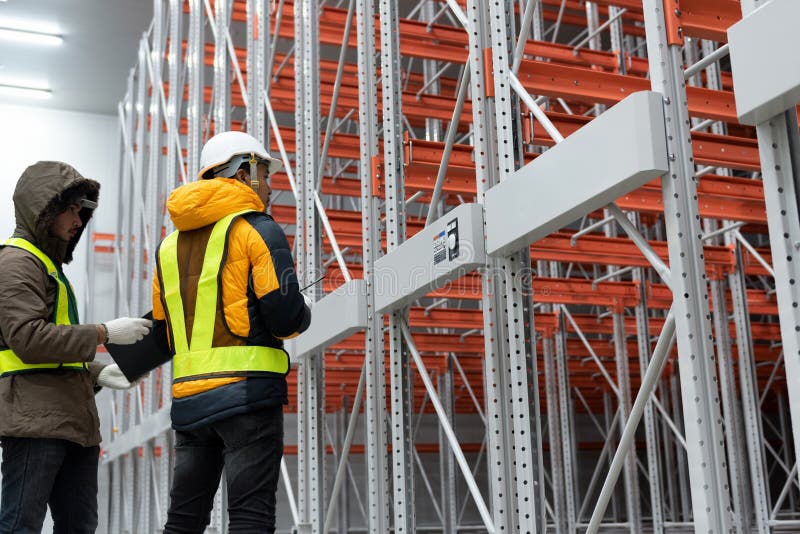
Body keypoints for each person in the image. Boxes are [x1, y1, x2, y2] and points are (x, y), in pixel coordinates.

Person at [152, 131, 312, 533]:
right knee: (250, 516)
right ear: (244, 172)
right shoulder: (257, 229)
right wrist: (302, 312)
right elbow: (285, 318)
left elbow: (163, 331)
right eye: (265, 173)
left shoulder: (168, 247)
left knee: (184, 519)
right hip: (247, 397)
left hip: (189, 404)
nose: (270, 185)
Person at [0, 161, 153, 534]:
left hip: (73, 423)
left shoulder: (48, 267)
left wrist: (95, 372)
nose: (78, 219)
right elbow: (29, 339)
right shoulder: (17, 262)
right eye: (70, 208)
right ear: (44, 209)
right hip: (35, 423)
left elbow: (51, 346)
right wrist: (103, 333)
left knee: (79, 526)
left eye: (81, 209)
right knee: (21, 525)